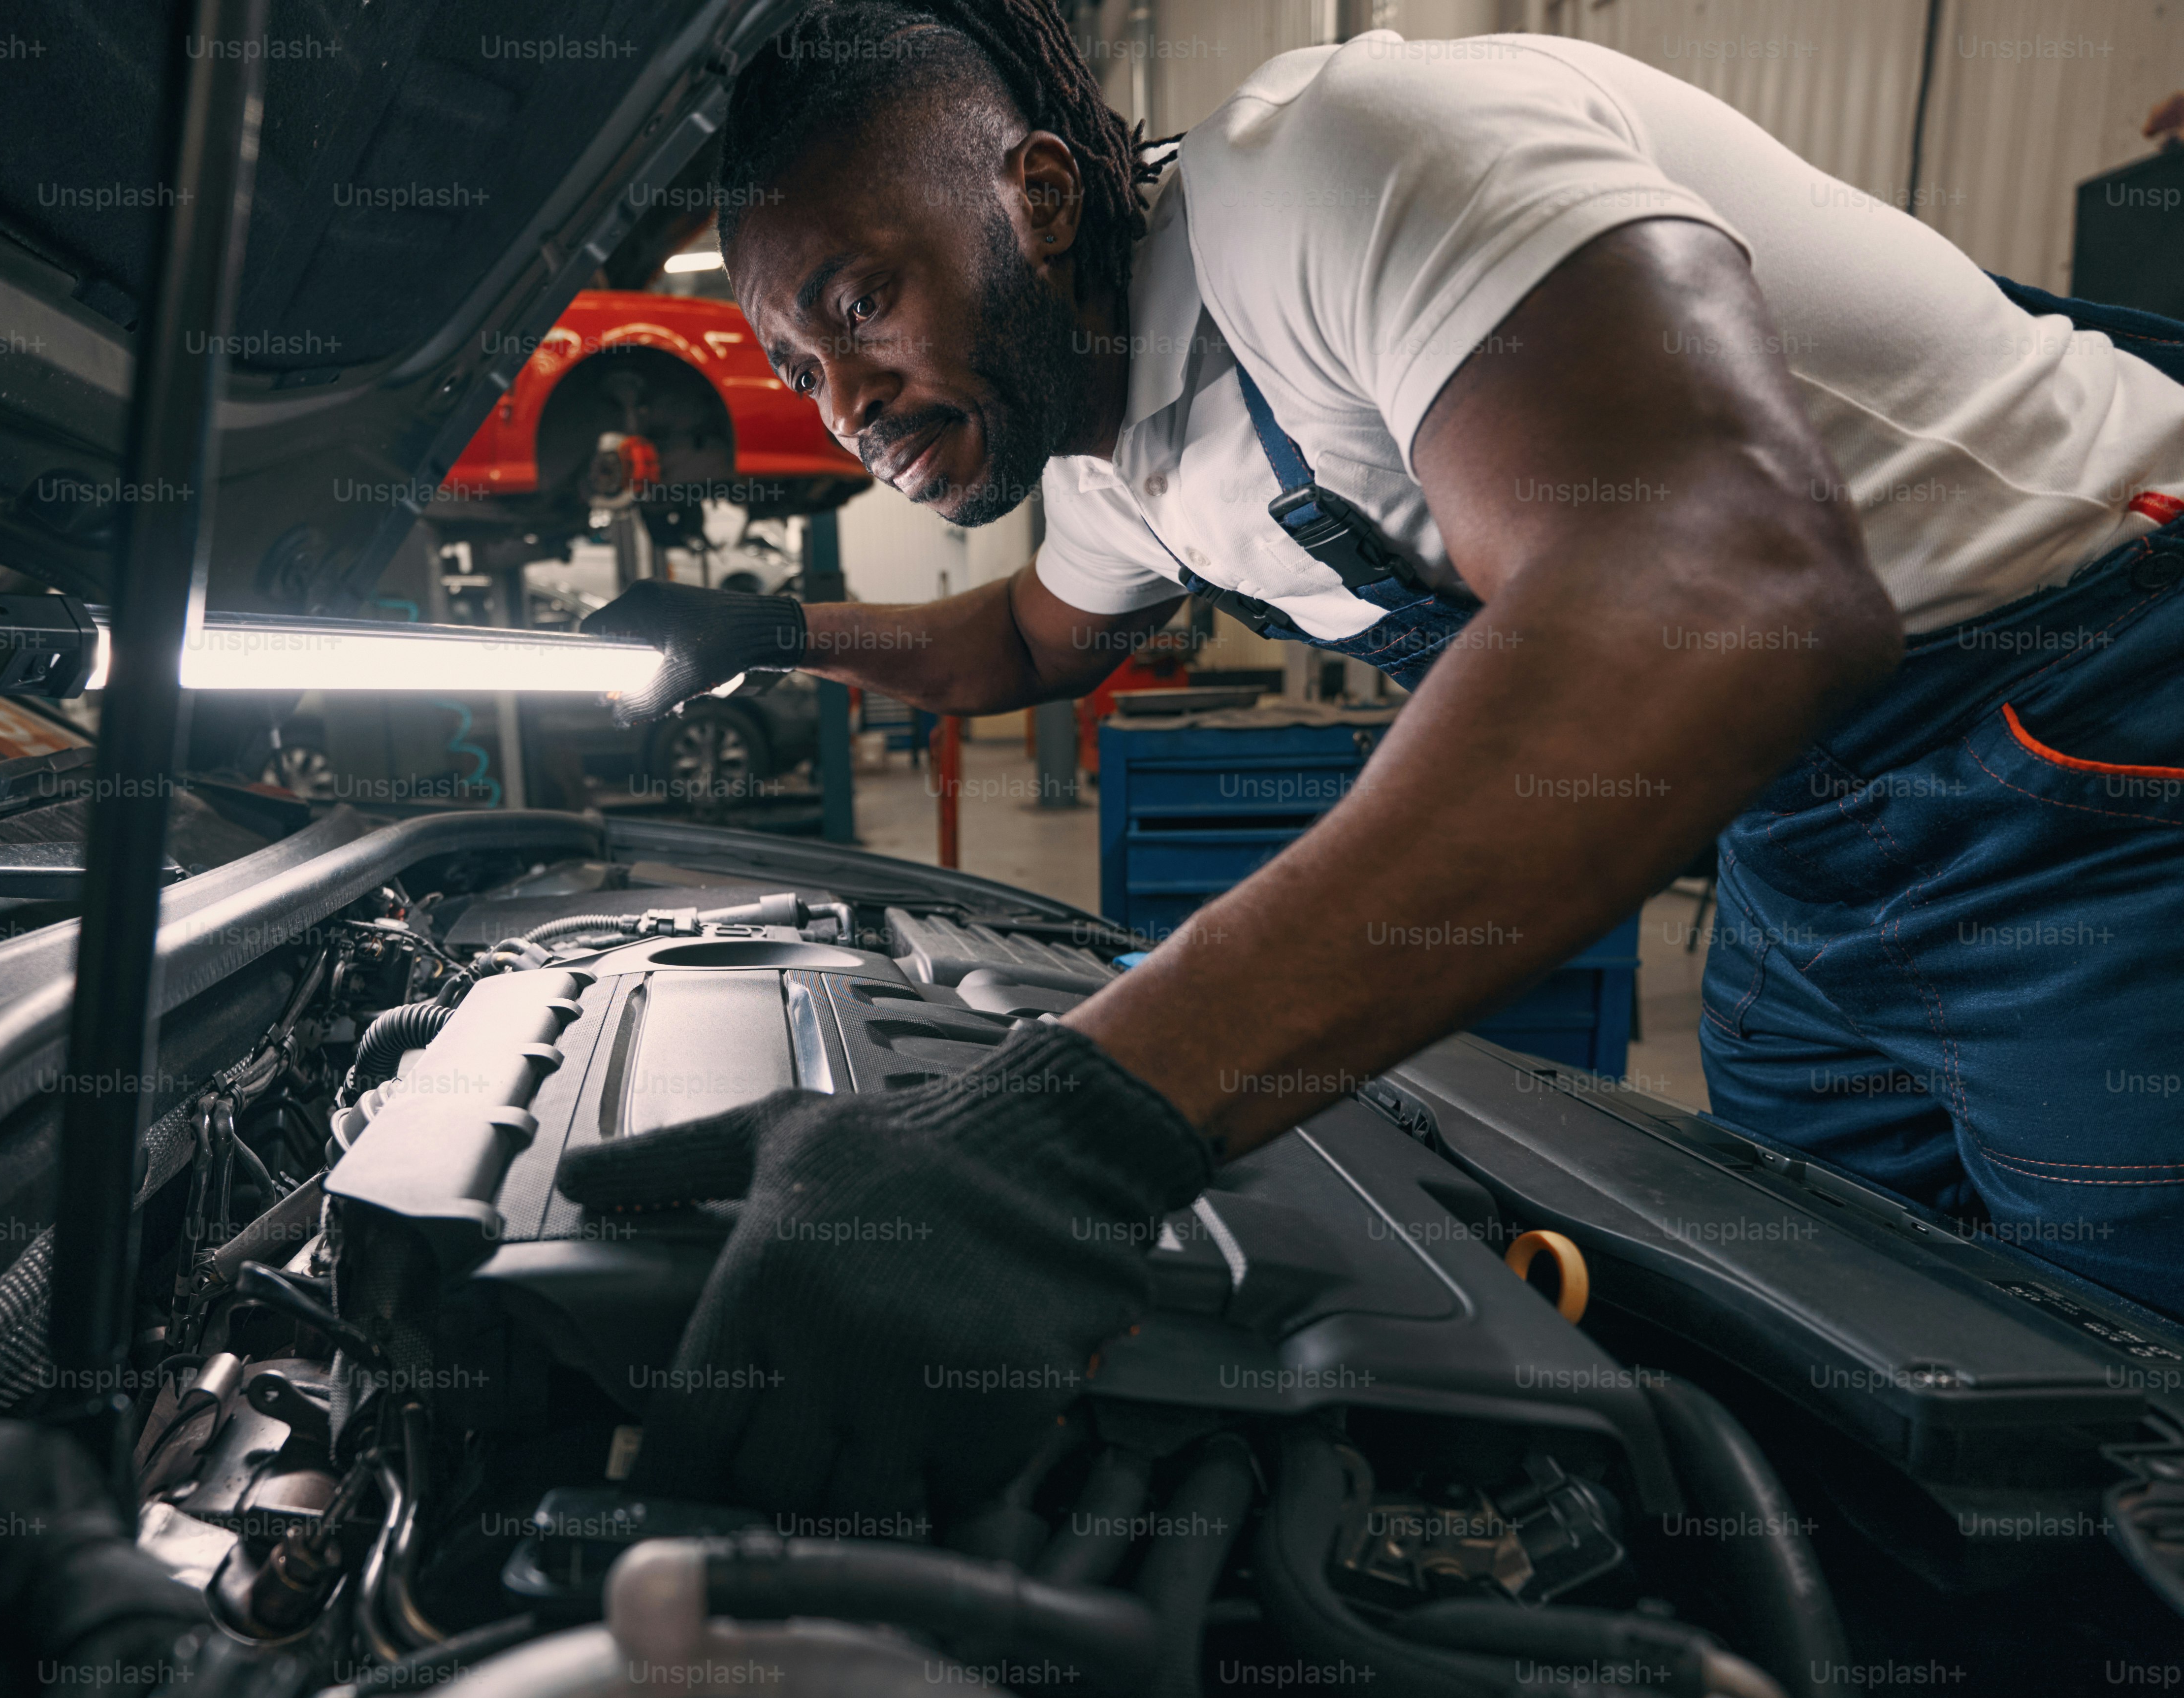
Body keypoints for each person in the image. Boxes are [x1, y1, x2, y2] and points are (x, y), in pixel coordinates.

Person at [567, 0, 2184, 1522]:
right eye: (795, 365)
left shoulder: (1351, 165)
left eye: (861, 306)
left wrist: (1071, 1126)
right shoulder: (1119, 455)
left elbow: (1727, 589)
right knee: (1861, 1391)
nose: (843, 398)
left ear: (1039, 197)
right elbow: (1026, 645)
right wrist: (770, 630)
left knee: (2138, 1430)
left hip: (2099, 749)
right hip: (1803, 844)